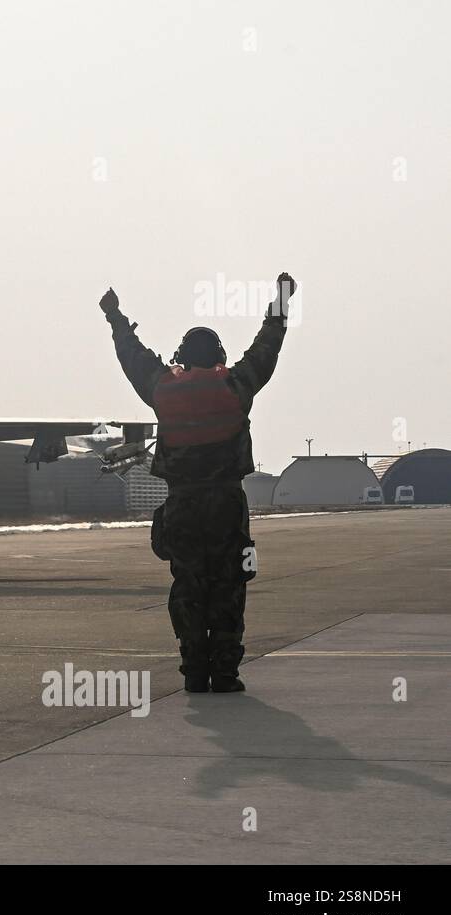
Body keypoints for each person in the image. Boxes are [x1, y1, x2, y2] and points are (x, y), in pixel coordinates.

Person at [99, 274, 296, 692]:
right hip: (227, 504)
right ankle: (225, 672)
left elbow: (132, 356)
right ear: (220, 356)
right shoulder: (236, 386)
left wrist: (115, 317)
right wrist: (279, 300)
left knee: (188, 585)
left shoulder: (162, 388)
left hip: (182, 504)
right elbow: (267, 346)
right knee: (230, 584)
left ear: (181, 357)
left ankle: (193, 671)